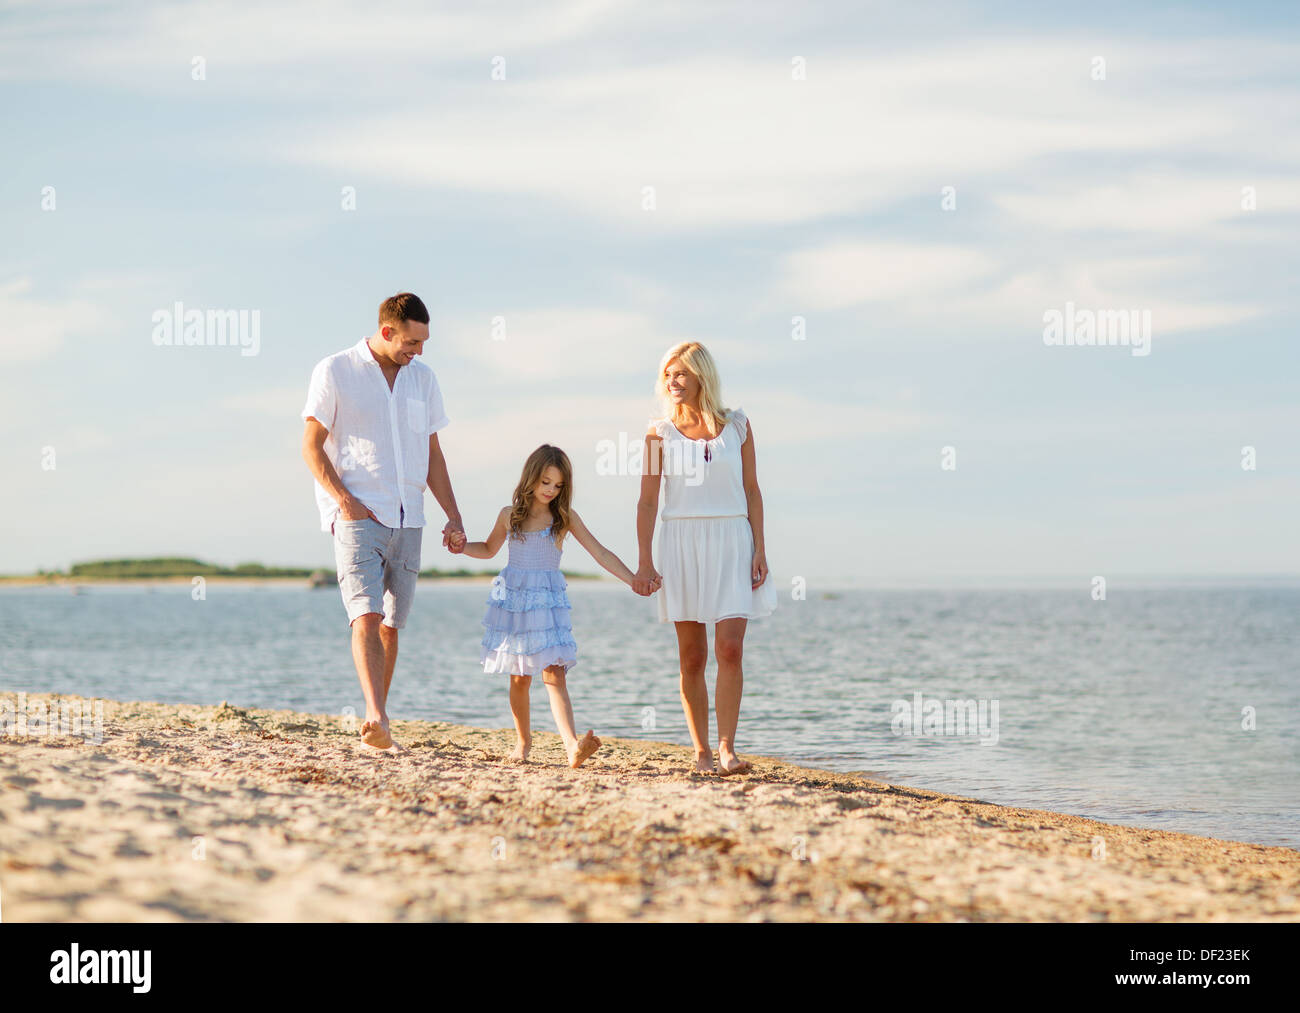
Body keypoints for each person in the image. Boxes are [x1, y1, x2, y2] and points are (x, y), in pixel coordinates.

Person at [301, 292, 465, 753]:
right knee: (366, 616)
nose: (419, 351)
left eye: (424, 342)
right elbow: (311, 446)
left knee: (392, 623)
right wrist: (344, 502)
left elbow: (433, 454)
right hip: (359, 515)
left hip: (409, 517)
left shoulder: (424, 380)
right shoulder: (335, 370)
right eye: (412, 341)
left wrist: (453, 514)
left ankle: (379, 717)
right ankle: (375, 713)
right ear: (387, 331)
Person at [455, 444, 655, 767]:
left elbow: (600, 553)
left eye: (558, 485)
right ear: (531, 478)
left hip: (547, 605)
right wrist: (462, 548)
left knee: (554, 675)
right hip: (517, 603)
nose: (551, 490)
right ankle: (522, 742)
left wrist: (632, 578)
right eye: (546, 482)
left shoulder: (563, 518)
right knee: (519, 678)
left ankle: (572, 745)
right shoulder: (510, 516)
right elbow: (489, 549)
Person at [635, 341, 776, 775]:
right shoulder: (658, 433)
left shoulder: (739, 425)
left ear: (701, 377)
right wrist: (644, 561)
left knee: (730, 649)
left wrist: (760, 548)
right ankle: (701, 753)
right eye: (667, 375)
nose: (673, 382)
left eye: (681, 374)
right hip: (681, 541)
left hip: (733, 538)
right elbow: (646, 502)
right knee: (692, 656)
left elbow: (752, 490)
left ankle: (728, 748)